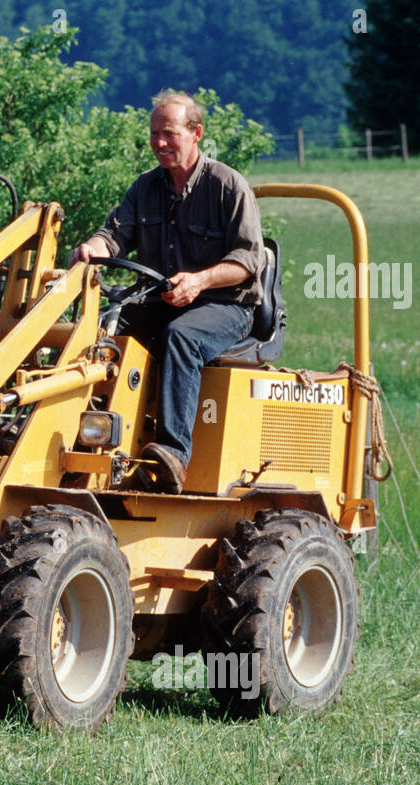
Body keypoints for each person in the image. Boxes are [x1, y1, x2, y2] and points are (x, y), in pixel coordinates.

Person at [69, 91, 264, 494]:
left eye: (169, 134)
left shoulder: (228, 187)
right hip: (162, 299)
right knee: (99, 328)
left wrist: (199, 280)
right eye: (154, 134)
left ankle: (173, 453)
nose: (159, 143)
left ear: (196, 134)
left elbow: (247, 261)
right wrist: (92, 249)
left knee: (182, 337)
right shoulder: (145, 188)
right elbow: (114, 236)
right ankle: (83, 437)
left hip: (225, 305)